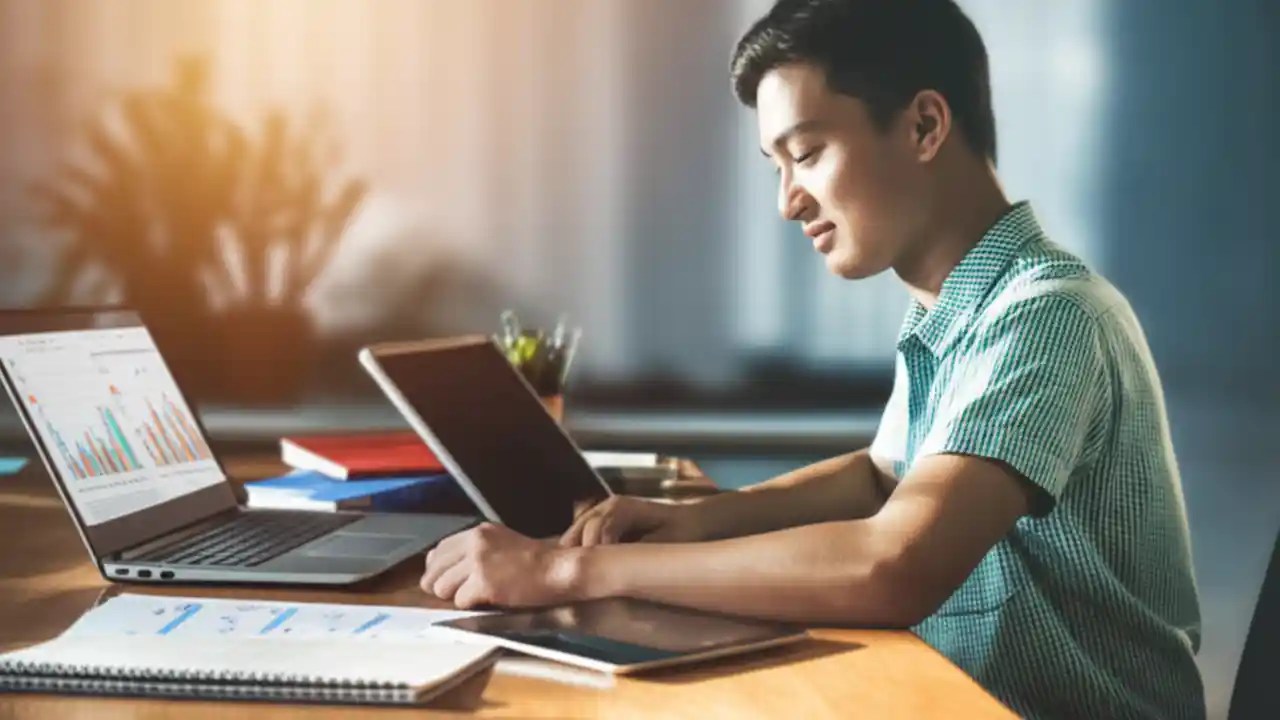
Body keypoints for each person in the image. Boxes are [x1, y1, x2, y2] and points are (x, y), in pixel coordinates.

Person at [419, 1, 1204, 717]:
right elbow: (885, 475)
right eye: (777, 166)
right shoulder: (959, 304)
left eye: (809, 153)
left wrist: (565, 575)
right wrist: (693, 523)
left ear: (926, 126)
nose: (788, 201)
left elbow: (895, 564)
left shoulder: (1046, 315)